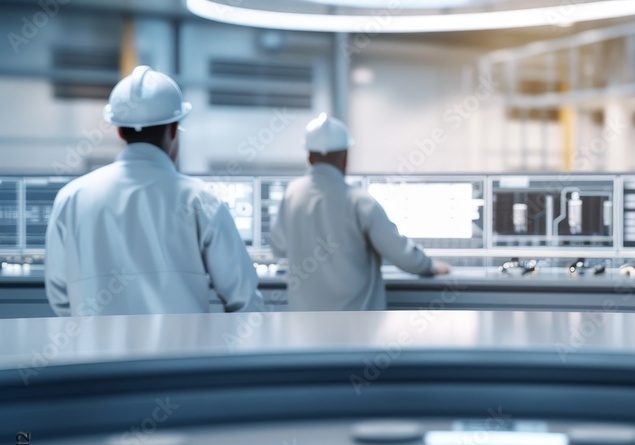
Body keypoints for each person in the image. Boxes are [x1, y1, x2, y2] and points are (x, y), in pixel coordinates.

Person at [45, 66, 263, 317]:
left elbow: (60, 298)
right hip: (183, 344)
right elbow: (244, 301)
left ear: (119, 130)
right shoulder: (202, 200)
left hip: (94, 343)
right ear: (173, 129)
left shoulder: (71, 198)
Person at [270, 113, 449, 311]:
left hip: (304, 324)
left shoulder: (292, 194)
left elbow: (277, 248)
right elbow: (401, 253)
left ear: (309, 157)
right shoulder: (359, 201)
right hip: (356, 324)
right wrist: (429, 266)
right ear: (345, 157)